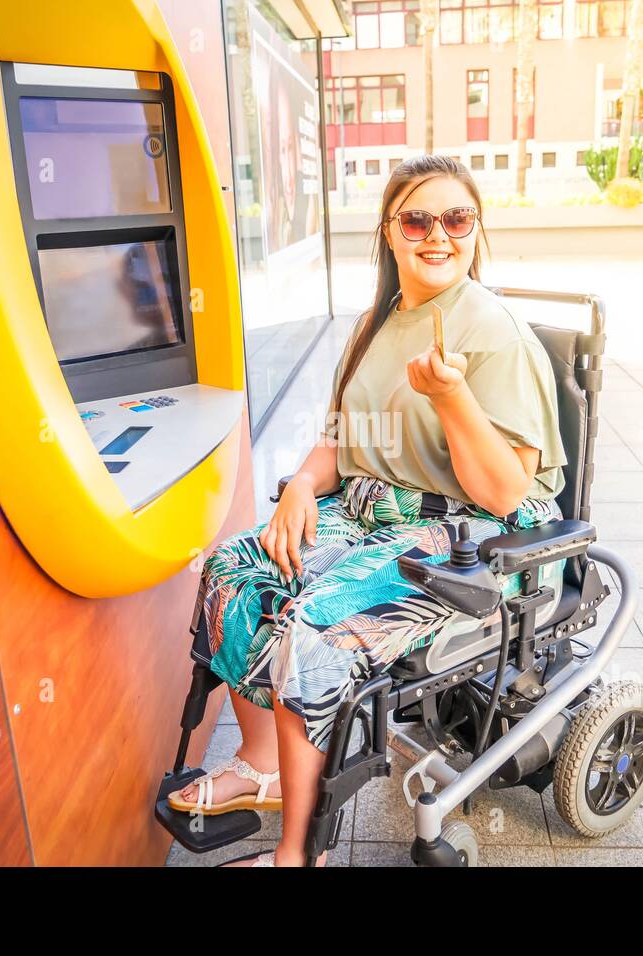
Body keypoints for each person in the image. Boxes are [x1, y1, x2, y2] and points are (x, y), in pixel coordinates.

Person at [167, 154, 569, 866]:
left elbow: (507, 493)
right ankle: (261, 767)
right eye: (417, 218)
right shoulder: (375, 324)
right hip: (369, 515)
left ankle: (300, 853)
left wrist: (452, 399)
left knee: (311, 631)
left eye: (457, 218)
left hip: (470, 542)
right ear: (389, 232)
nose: (436, 234)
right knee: (232, 569)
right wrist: (297, 487)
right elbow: (338, 436)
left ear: (477, 230)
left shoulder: (493, 332)